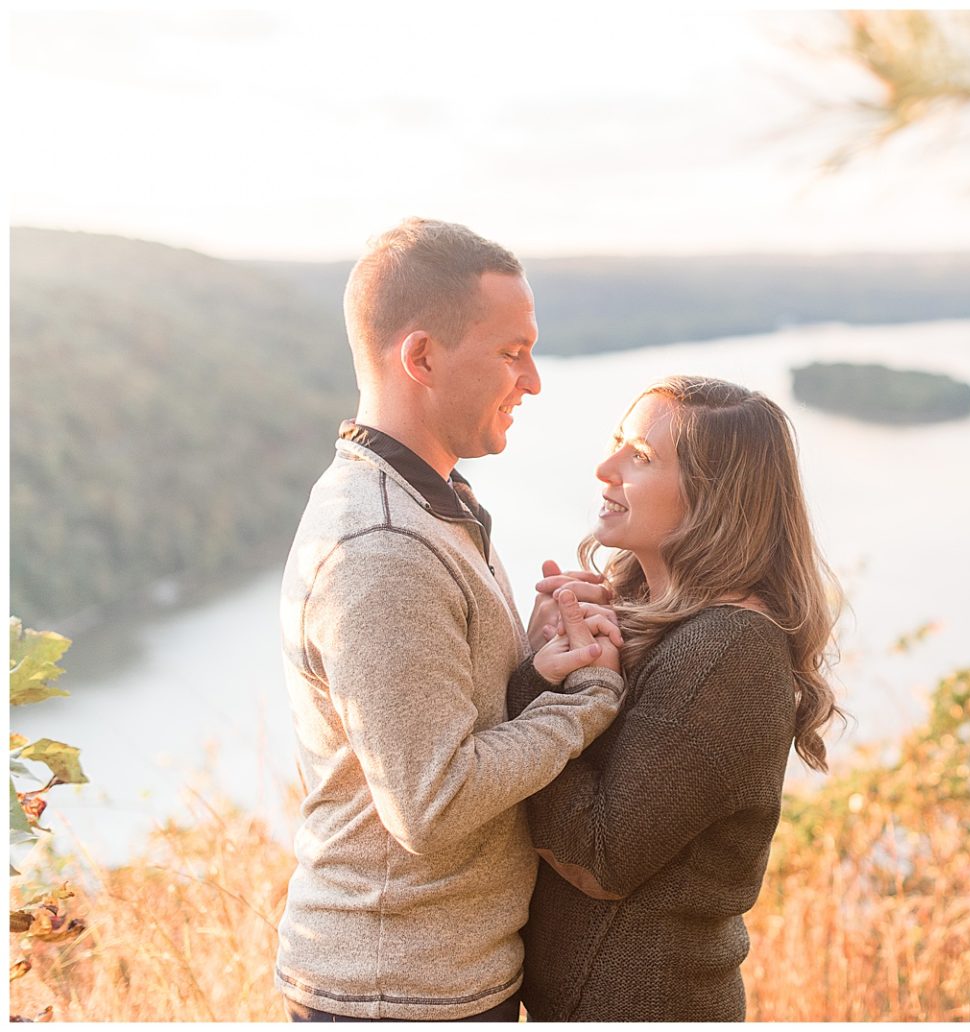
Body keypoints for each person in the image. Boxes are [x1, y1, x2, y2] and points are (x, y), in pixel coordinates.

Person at [275, 217, 623, 1022]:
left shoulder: (435, 504)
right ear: (422, 356)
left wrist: (536, 670)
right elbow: (431, 804)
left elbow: (445, 727)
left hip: (435, 981)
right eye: (512, 352)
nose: (532, 381)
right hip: (394, 996)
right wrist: (584, 706)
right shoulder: (383, 547)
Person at [513, 375, 843, 1022]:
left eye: (638, 456)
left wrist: (545, 690)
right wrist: (549, 656)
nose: (605, 468)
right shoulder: (644, 612)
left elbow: (600, 860)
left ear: (712, 498)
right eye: (617, 443)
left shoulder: (725, 649)